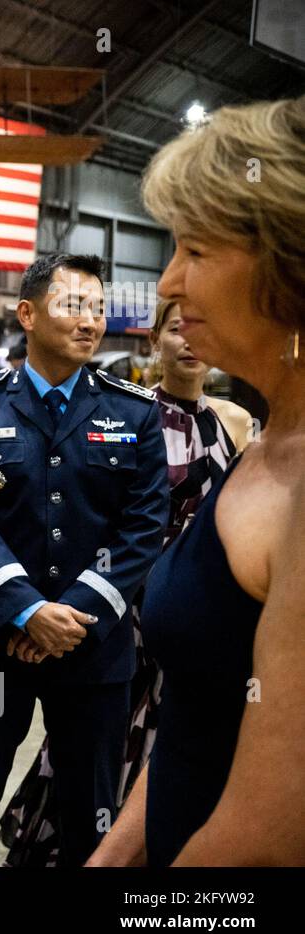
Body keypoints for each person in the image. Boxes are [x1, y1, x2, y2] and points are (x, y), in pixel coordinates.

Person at [89, 96, 305, 866]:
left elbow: (267, 838)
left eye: (197, 251)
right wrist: (116, 852)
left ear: (286, 263)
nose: (171, 282)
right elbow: (196, 717)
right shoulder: (266, 436)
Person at [0, 252, 169, 868]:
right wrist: (24, 610)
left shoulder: (136, 413)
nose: (90, 320)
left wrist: (65, 617)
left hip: (92, 652)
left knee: (89, 807)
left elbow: (143, 529)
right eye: (73, 305)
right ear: (28, 314)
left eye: (98, 307)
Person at [0, 295, 236, 866]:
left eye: (199, 330)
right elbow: (95, 520)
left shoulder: (235, 420)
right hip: (121, 606)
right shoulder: (127, 413)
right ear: (153, 341)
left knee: (167, 737)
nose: (188, 342)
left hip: (193, 615)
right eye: (174, 330)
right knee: (99, 747)